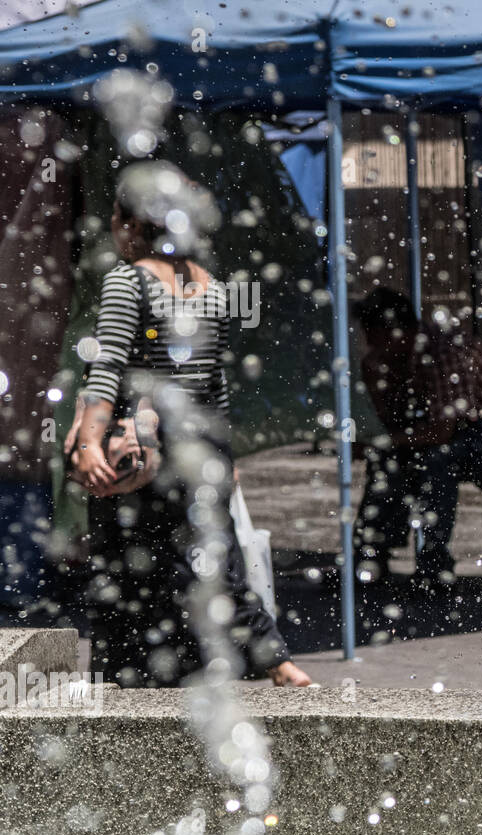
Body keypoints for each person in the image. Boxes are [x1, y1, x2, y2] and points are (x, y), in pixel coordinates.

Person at [72, 161, 312, 688]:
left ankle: (124, 700)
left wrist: (89, 440)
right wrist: (226, 459)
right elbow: (213, 386)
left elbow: (106, 366)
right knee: (206, 562)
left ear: (131, 225)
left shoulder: (126, 280)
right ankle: (265, 659)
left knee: (126, 579)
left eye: (115, 217)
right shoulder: (210, 286)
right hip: (198, 449)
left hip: (143, 452)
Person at [355, 287, 482, 587]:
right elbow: (398, 427)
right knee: (391, 458)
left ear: (398, 331)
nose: (369, 343)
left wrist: (385, 441)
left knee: (436, 458)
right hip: (464, 432)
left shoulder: (441, 351)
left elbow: (441, 431)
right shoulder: (385, 361)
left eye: (373, 334)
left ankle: (434, 561)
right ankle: (370, 552)